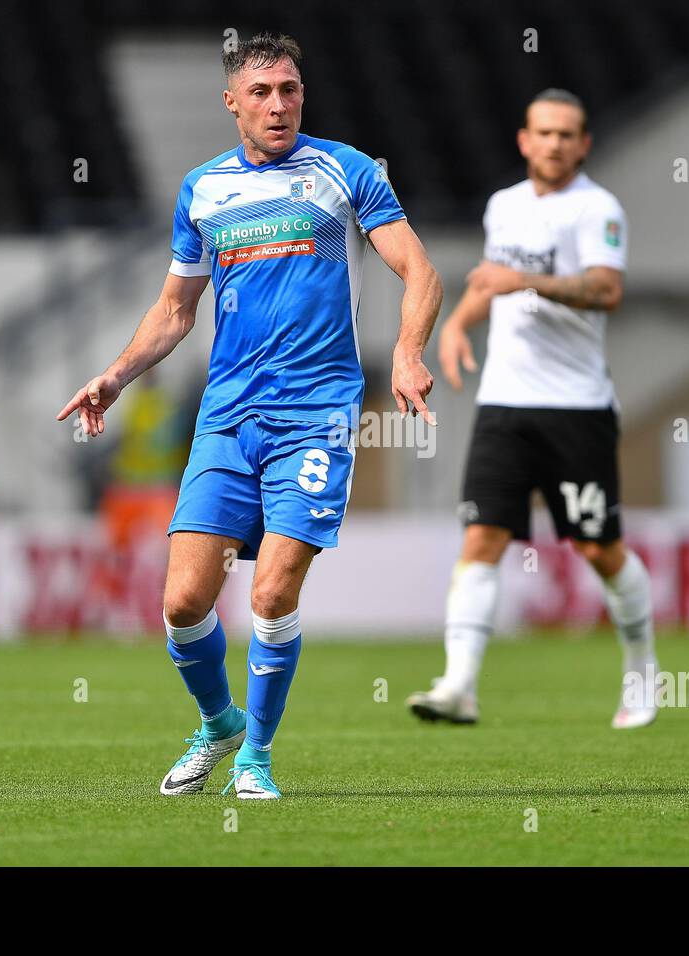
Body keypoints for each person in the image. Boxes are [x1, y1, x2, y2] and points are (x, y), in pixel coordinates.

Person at [58, 33, 441, 799]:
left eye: (290, 90)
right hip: (227, 417)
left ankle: (255, 758)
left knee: (270, 593)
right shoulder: (203, 191)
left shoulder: (346, 172)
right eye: (262, 92)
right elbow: (174, 310)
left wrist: (405, 350)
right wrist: (117, 375)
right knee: (183, 603)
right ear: (231, 101)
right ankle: (220, 721)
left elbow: (419, 269)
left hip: (316, 415)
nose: (278, 104)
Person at [405, 90, 657, 730]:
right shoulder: (504, 206)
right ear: (524, 140)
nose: (554, 144)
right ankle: (459, 684)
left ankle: (643, 671)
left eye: (567, 134)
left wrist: (529, 282)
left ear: (584, 144)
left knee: (598, 549)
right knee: (482, 537)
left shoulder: (599, 209)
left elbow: (607, 289)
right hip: (504, 404)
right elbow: (494, 277)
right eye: (544, 133)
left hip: (576, 409)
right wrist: (461, 320)